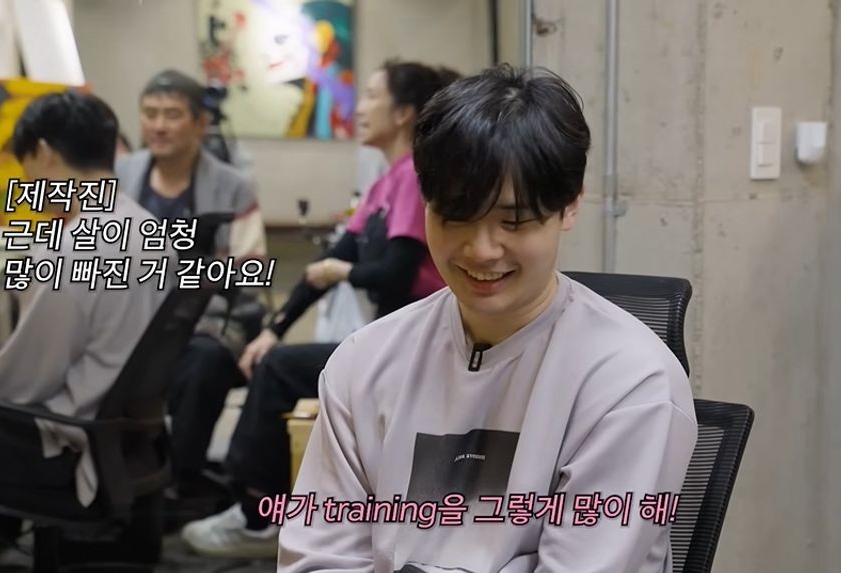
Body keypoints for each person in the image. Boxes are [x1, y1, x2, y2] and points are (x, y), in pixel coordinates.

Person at [276, 66, 698, 572]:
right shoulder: (364, 363)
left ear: (569, 206)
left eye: (513, 221)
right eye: (455, 216)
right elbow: (317, 555)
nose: (481, 250)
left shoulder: (630, 384)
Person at [180, 60, 458, 559]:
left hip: (424, 347)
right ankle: (252, 506)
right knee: (275, 359)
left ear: (403, 113)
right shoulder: (384, 184)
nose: (360, 107)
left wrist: (341, 272)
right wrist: (273, 329)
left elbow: (395, 272)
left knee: (281, 372)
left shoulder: (415, 177)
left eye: (371, 95)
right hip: (391, 340)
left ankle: (257, 517)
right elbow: (321, 270)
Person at [0, 92, 174, 511]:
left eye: (24, 169)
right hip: (127, 441)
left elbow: (21, 386)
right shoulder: (151, 231)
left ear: (44, 153)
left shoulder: (71, 246)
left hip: (65, 443)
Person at [116, 69, 267, 491]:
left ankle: (179, 479)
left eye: (172, 115)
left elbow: (250, 269)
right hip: (131, 319)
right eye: (150, 114)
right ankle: (121, 474)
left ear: (200, 123)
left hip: (207, 321)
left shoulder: (233, 187)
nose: (158, 126)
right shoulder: (121, 175)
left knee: (204, 362)